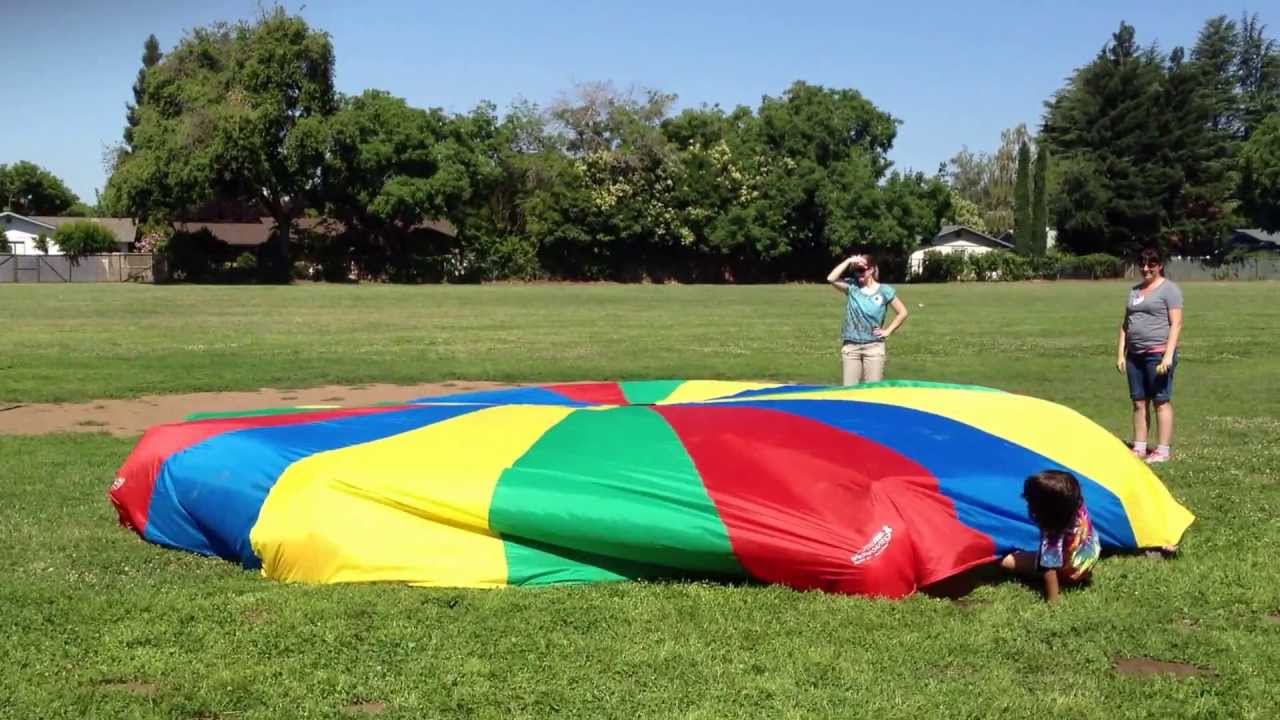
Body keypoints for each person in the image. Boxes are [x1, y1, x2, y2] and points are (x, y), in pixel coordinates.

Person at [1116, 248, 1184, 464]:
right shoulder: (1134, 291)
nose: (1146, 269)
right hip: (1134, 355)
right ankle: (1140, 447)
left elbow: (1176, 324)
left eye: (1151, 265)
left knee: (1160, 401)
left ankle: (1162, 450)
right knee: (1138, 402)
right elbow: (1126, 325)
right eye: (1143, 264)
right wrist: (1120, 354)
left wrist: (1168, 356)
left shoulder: (1169, 290)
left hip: (1158, 354)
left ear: (1159, 266)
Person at [1000, 470, 1101, 603]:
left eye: (1030, 503)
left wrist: (1053, 600)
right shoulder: (1077, 505)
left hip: (1071, 572)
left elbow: (1049, 567)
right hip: (1088, 558)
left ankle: (1061, 587)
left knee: (1006, 560)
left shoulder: (1052, 535)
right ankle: (1083, 574)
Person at [826, 253, 909, 386]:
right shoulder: (852, 287)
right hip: (851, 347)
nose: (858, 274)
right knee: (849, 392)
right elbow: (831, 278)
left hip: (874, 347)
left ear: (871, 270)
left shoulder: (884, 291)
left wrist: (887, 331)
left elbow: (902, 312)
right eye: (855, 271)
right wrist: (849, 261)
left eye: (861, 270)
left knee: (872, 392)